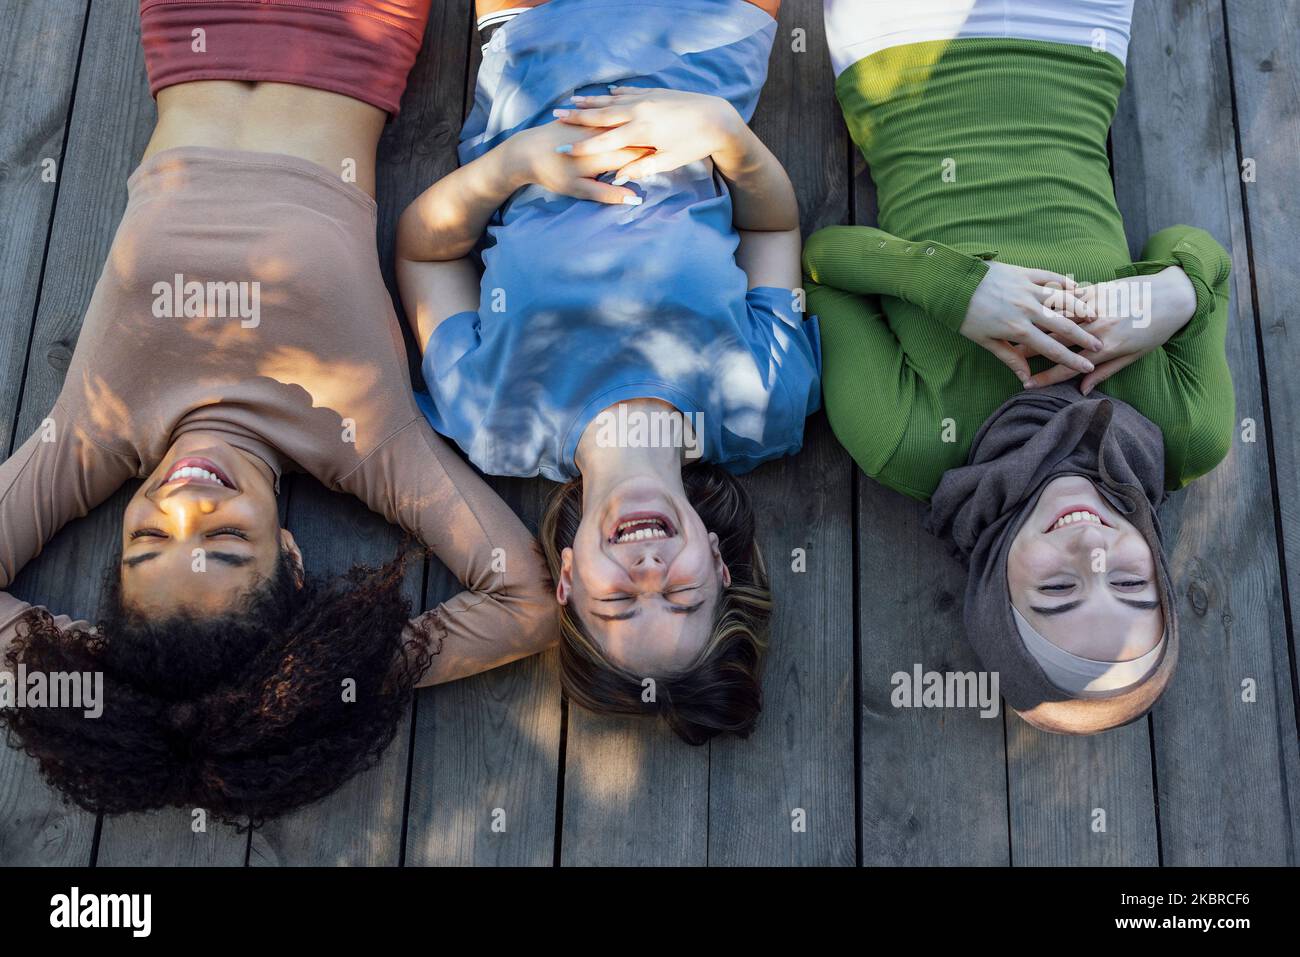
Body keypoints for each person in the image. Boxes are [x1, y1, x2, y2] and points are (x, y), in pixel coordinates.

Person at [0, 0, 556, 825]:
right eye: (227, 541)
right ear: (291, 558)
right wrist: (294, 681)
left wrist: (136, 680)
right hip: (350, 27)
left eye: (147, 540)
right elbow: (527, 602)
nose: (187, 499)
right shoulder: (365, 440)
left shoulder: (93, 430)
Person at [804, 0, 1234, 733]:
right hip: (1081, 38)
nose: (1093, 548)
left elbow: (822, 263)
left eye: (1060, 589)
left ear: (995, 591)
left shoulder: (909, 442)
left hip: (900, 47)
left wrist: (955, 286)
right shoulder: (1186, 433)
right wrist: (1175, 292)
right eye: (1129, 580)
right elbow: (1202, 256)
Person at [397, 0, 820, 744]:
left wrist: (513, 163)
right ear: (718, 565)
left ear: (565, 582)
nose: (648, 571)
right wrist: (722, 131)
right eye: (681, 596)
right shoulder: (766, 406)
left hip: (534, 39)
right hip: (711, 41)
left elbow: (422, 253)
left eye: (619, 605)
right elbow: (773, 226)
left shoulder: (492, 420)